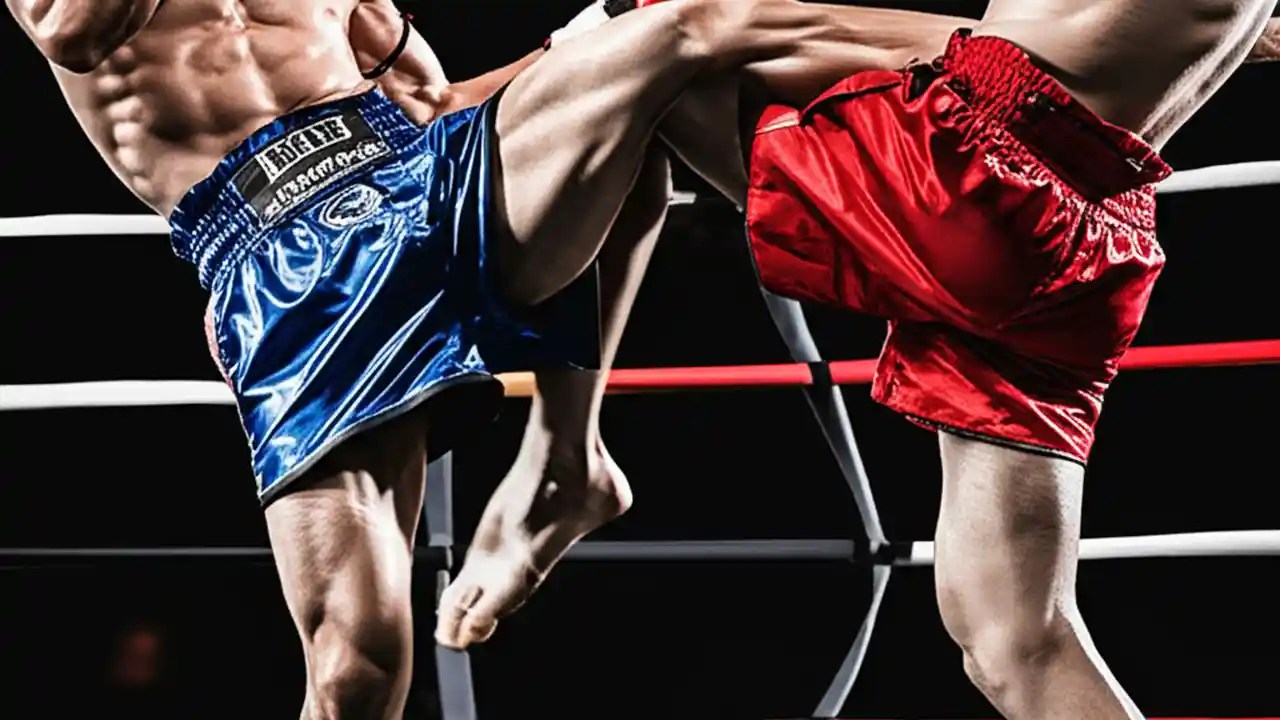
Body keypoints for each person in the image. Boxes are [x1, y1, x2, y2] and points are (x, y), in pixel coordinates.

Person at [5, 0, 975, 716]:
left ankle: (1007, 66)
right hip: (280, 251)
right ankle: (566, 465)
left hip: (426, 175)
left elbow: (429, 100)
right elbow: (75, 33)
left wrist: (565, 54)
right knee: (357, 666)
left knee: (672, 27)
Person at [439, 2, 1280, 719]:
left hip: (976, 166)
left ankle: (559, 454)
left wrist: (481, 87)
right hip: (1092, 227)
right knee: (1017, 642)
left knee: (658, 35)